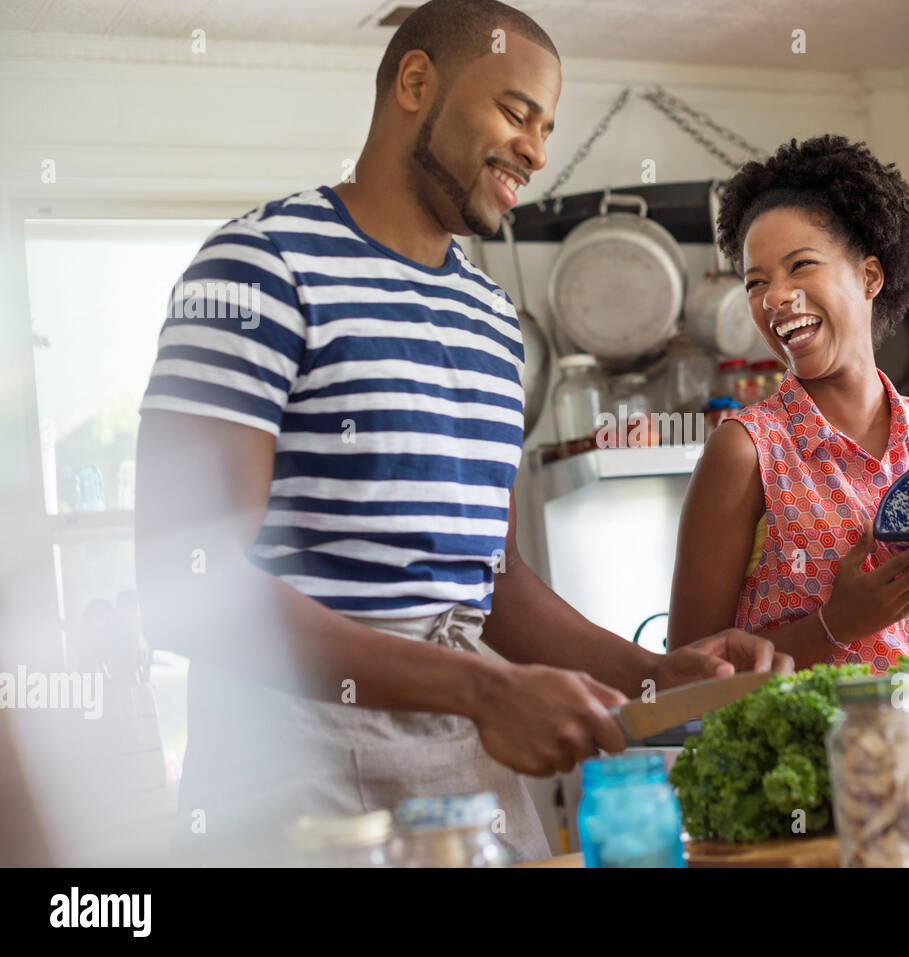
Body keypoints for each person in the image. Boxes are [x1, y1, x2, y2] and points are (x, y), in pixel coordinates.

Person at [135, 0, 791, 865]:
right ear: (416, 82)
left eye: (549, 128)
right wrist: (484, 686)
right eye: (516, 113)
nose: (537, 150)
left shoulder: (490, 320)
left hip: (468, 772)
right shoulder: (258, 268)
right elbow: (189, 585)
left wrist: (653, 675)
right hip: (294, 783)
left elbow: (497, 584)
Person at [667, 135, 909, 672]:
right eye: (756, 282)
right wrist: (836, 625)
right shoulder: (746, 453)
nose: (774, 297)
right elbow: (686, 672)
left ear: (869, 276)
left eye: (801, 265)